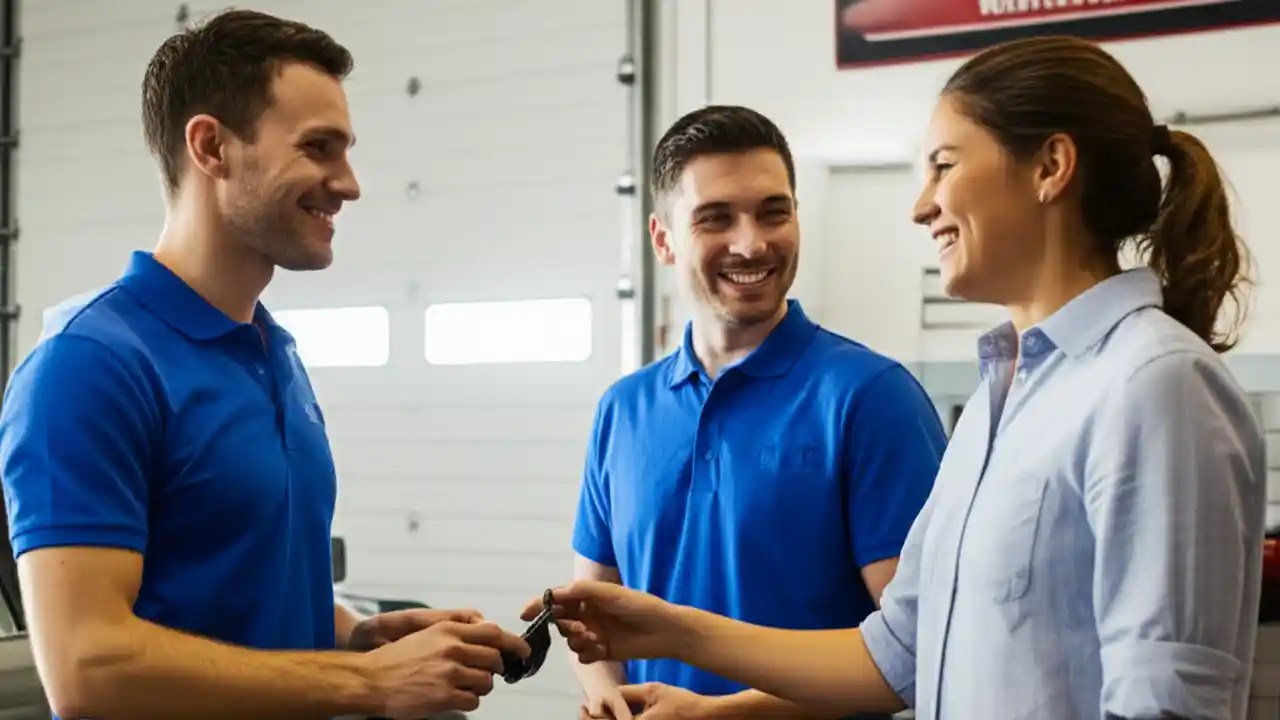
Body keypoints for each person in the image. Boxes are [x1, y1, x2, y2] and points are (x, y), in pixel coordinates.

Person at [530, 36, 1269, 720]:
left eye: (944, 164)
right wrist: (677, 634)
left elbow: (1167, 705)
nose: (921, 206)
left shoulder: (1157, 384)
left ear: (1050, 168)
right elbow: (900, 654)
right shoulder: (1001, 399)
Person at [0, 9, 527, 720]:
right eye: (319, 148)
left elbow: (234, 589)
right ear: (211, 147)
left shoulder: (273, 352)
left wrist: (358, 636)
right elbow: (89, 667)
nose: (349, 183)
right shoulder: (88, 367)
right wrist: (370, 685)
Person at [567, 105, 947, 719]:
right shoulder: (623, 409)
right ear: (663, 239)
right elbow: (592, 610)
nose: (752, 243)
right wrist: (607, 697)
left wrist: (725, 715)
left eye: (774, 212)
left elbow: (922, 649)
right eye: (716, 218)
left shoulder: (873, 397)